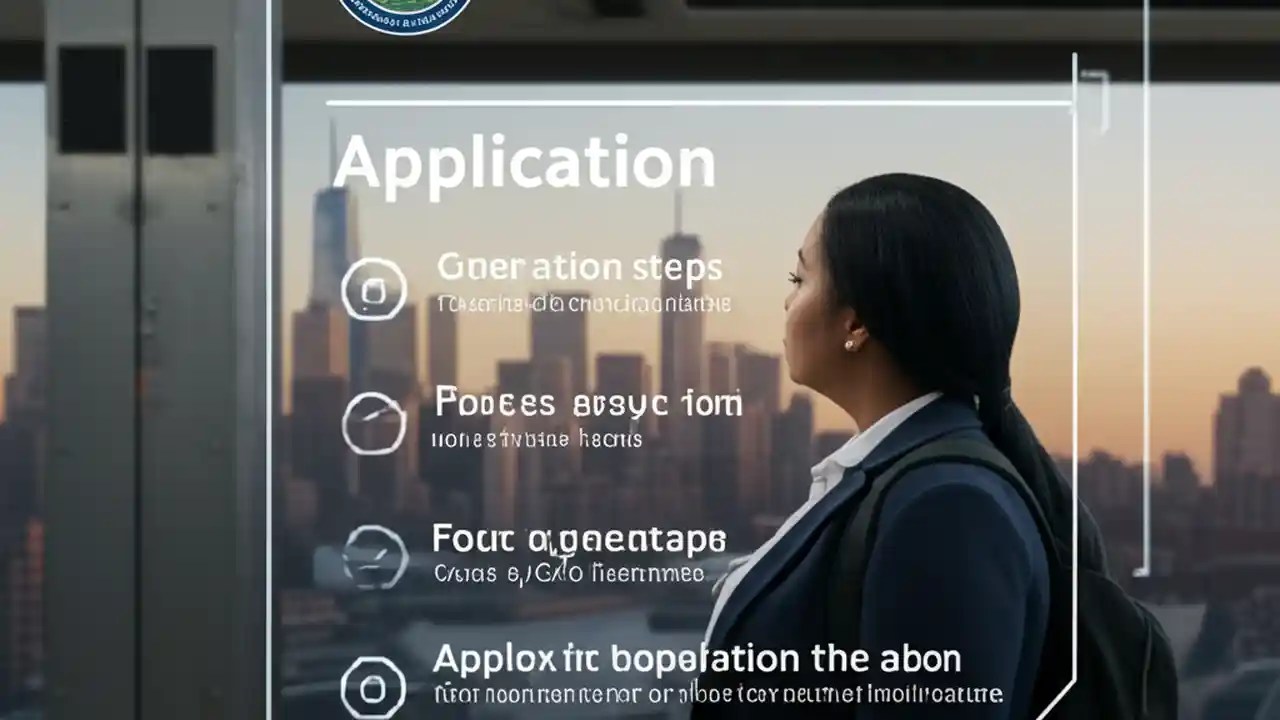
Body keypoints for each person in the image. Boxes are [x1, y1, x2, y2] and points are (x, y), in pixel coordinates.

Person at [692, 173, 1107, 719]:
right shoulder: (905, 479)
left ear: (856, 321)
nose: (786, 301)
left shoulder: (949, 508)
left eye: (799, 277)